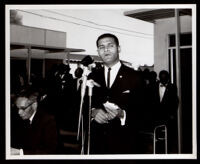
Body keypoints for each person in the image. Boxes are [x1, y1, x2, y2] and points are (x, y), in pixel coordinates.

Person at [88, 33, 145, 154]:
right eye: (101, 47)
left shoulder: (135, 76)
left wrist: (123, 114)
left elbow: (146, 110)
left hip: (125, 142)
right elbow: (81, 105)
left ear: (119, 48)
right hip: (97, 143)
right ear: (98, 51)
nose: (106, 50)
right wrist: (92, 111)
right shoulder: (92, 76)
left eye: (110, 45)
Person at [11, 86, 58, 155]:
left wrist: (20, 152)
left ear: (34, 105)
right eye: (17, 108)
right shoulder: (20, 118)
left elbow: (50, 152)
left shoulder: (48, 121)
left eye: (23, 108)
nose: (19, 112)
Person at [146, 70, 179, 153]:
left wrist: (172, 114)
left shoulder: (172, 87)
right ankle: (156, 151)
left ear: (168, 79)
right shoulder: (153, 86)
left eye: (165, 79)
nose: (163, 80)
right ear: (159, 78)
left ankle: (167, 151)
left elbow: (175, 101)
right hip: (155, 115)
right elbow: (149, 100)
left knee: (168, 136)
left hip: (167, 116)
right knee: (155, 135)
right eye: (161, 78)